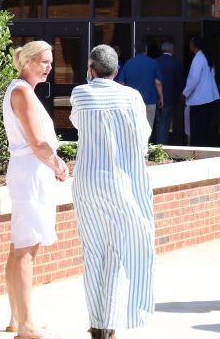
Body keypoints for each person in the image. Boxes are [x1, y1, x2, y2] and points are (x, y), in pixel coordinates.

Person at [70, 44, 156, 339]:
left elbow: (76, 122)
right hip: (122, 183)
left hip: (88, 183)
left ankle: (97, 325)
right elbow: (143, 136)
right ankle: (108, 325)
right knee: (119, 253)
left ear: (91, 70)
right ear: (117, 71)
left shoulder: (80, 93)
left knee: (92, 252)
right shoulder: (132, 97)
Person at [3, 41, 70, 339]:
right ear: (28, 62)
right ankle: (26, 324)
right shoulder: (22, 92)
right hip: (30, 174)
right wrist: (58, 164)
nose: (49, 67)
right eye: (44, 61)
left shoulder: (21, 90)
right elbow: (37, 142)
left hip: (29, 172)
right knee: (26, 248)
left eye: (51, 62)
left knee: (19, 247)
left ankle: (17, 317)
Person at [115, 39, 163, 132]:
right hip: (149, 100)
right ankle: (145, 142)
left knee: (133, 128)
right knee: (147, 129)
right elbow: (158, 82)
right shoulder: (153, 63)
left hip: (132, 102)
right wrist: (161, 97)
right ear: (146, 49)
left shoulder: (128, 63)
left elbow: (121, 83)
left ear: (135, 50)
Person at [183, 36, 219, 146]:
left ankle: (197, 150)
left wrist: (185, 93)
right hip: (208, 98)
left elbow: (194, 79)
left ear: (195, 45)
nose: (189, 45)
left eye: (190, 43)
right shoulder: (206, 57)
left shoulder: (198, 58)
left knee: (197, 130)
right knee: (205, 128)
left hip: (199, 100)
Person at [155, 40, 185, 144]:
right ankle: (161, 146)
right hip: (170, 97)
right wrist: (182, 93)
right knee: (165, 122)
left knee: (158, 122)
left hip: (156, 97)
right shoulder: (175, 63)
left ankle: (158, 143)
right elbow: (180, 81)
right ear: (172, 50)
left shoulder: (155, 62)